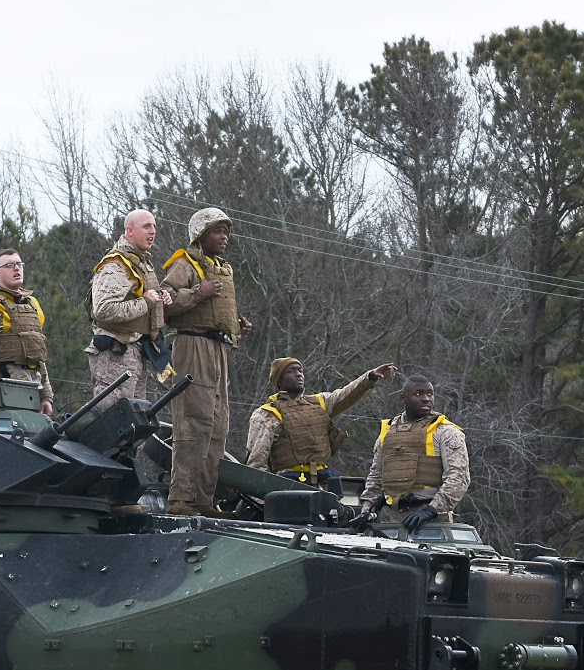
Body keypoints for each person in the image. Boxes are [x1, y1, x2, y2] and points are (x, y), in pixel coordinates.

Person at [160, 207, 252, 515]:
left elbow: (215, 310)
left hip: (218, 349)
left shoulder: (221, 267)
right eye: (217, 231)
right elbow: (166, 302)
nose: (224, 236)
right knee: (192, 424)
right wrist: (199, 292)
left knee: (217, 427)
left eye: (226, 231)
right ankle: (181, 499)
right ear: (201, 234)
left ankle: (203, 499)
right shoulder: (185, 264)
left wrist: (236, 324)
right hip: (192, 346)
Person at [246, 358, 399, 489]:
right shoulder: (267, 413)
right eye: (291, 371)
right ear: (279, 379)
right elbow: (257, 460)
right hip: (289, 482)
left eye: (300, 370)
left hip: (324, 478)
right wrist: (262, 496)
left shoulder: (319, 402)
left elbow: (345, 395)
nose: (299, 374)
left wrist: (369, 377)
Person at [360, 374, 471, 533]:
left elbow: (459, 477)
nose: (426, 399)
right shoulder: (388, 432)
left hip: (430, 523)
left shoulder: (445, 432)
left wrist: (431, 510)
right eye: (418, 394)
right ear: (403, 398)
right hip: (387, 522)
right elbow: (376, 477)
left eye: (430, 394)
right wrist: (366, 510)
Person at [88, 209, 174, 409]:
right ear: (130, 230)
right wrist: (146, 302)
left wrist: (161, 298)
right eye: (146, 226)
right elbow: (103, 309)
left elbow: (144, 299)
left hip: (136, 351)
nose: (152, 231)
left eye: (154, 226)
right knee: (114, 418)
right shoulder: (116, 265)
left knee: (133, 422)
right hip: (115, 354)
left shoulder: (141, 262)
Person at [0, 248, 54, 416]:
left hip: (33, 393)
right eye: (9, 265)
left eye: (19, 264)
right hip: (4, 393)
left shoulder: (32, 304)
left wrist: (46, 396)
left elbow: (37, 355)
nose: (16, 268)